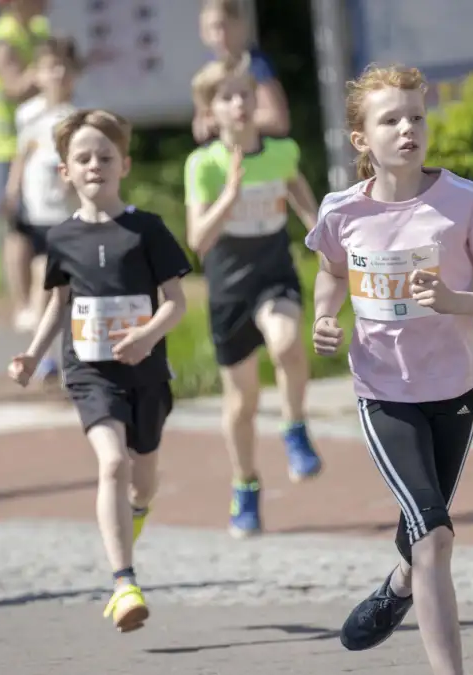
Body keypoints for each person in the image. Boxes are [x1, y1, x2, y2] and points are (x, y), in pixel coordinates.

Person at [308, 64, 473, 675]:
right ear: (361, 141)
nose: (408, 129)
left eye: (416, 117)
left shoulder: (463, 200)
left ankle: (400, 585)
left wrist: (459, 301)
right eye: (391, 120)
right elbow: (330, 273)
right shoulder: (342, 212)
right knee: (436, 533)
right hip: (384, 391)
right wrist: (326, 320)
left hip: (453, 387)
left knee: (424, 536)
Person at [8, 109, 191, 632]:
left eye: (105, 157)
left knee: (143, 483)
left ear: (124, 164)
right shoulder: (61, 239)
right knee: (112, 463)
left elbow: (176, 303)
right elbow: (58, 305)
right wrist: (32, 355)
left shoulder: (147, 230)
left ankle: (133, 515)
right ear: (64, 172)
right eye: (82, 158)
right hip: (91, 373)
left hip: (147, 373)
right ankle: (123, 583)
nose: (94, 165)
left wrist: (146, 336)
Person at [184, 59, 323, 539]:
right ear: (210, 111)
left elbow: (298, 187)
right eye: (227, 97)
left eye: (246, 94)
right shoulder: (203, 164)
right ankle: (245, 486)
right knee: (241, 403)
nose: (239, 104)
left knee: (285, 342)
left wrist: (318, 226)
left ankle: (295, 428)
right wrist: (231, 193)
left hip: (273, 273)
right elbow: (198, 241)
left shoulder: (281, 151)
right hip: (228, 288)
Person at [2, 36, 83, 382]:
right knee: (42, 280)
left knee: (67, 289)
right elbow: (23, 153)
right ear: (38, 73)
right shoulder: (29, 113)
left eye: (65, 67)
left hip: (69, 213)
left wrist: (75, 181)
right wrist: (11, 191)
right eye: (51, 67)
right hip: (37, 212)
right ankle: (43, 357)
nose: (59, 74)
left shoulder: (82, 115)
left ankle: (66, 356)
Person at [0, 0, 51, 331]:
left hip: (37, 143)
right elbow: (12, 88)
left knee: (42, 223)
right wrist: (48, 71)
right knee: (17, 227)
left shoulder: (38, 30)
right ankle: (23, 307)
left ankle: (42, 300)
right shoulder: (2, 38)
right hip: (4, 148)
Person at [194, 0, 290, 143]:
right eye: (214, 28)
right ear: (204, 34)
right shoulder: (209, 73)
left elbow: (278, 120)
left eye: (226, 26)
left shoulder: (256, 65)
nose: (221, 35)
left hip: (257, 154)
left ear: (241, 27)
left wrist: (233, 119)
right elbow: (200, 127)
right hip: (222, 156)